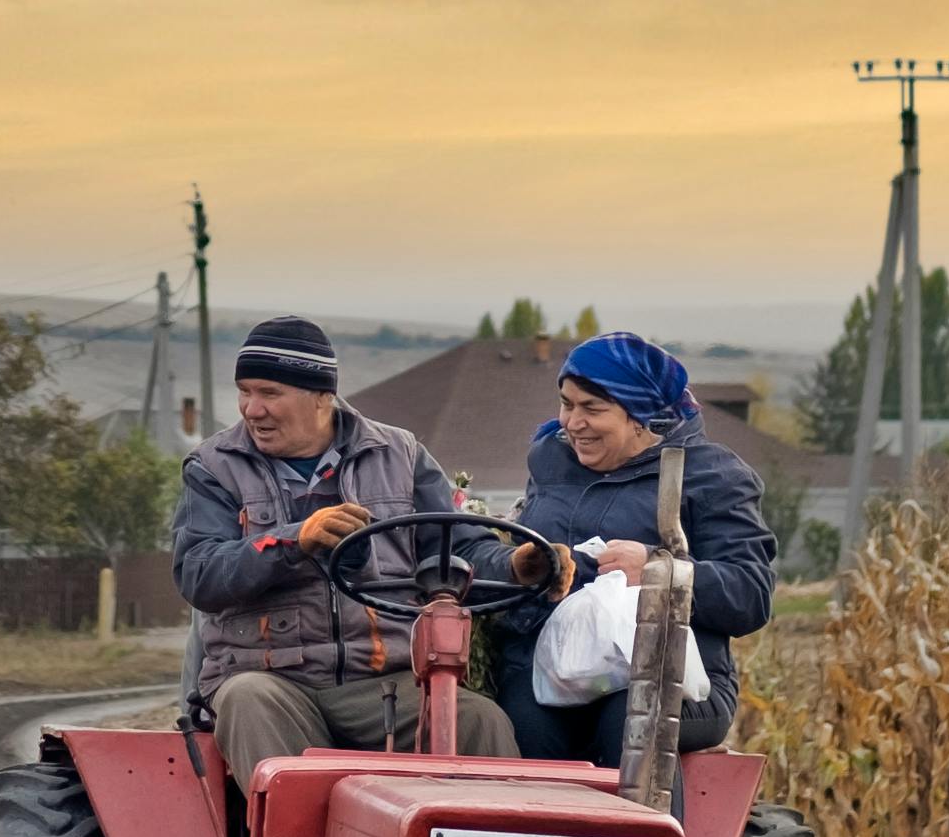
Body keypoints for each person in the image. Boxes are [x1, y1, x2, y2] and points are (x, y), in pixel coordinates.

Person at [172, 313, 517, 799]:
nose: (252, 409)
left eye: (269, 393)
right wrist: (294, 542)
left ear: (321, 396)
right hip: (271, 677)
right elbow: (199, 574)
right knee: (249, 702)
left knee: (479, 719)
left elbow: (458, 549)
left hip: (384, 684)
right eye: (244, 391)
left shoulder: (399, 455)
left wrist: (516, 565)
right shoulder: (214, 468)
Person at [476, 331, 774, 769]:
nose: (572, 423)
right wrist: (527, 565)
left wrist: (658, 570)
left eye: (592, 409)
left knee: (635, 726)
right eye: (567, 403)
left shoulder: (712, 477)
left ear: (641, 417)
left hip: (669, 677)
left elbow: (750, 595)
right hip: (552, 672)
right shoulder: (551, 462)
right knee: (513, 733)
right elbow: (506, 561)